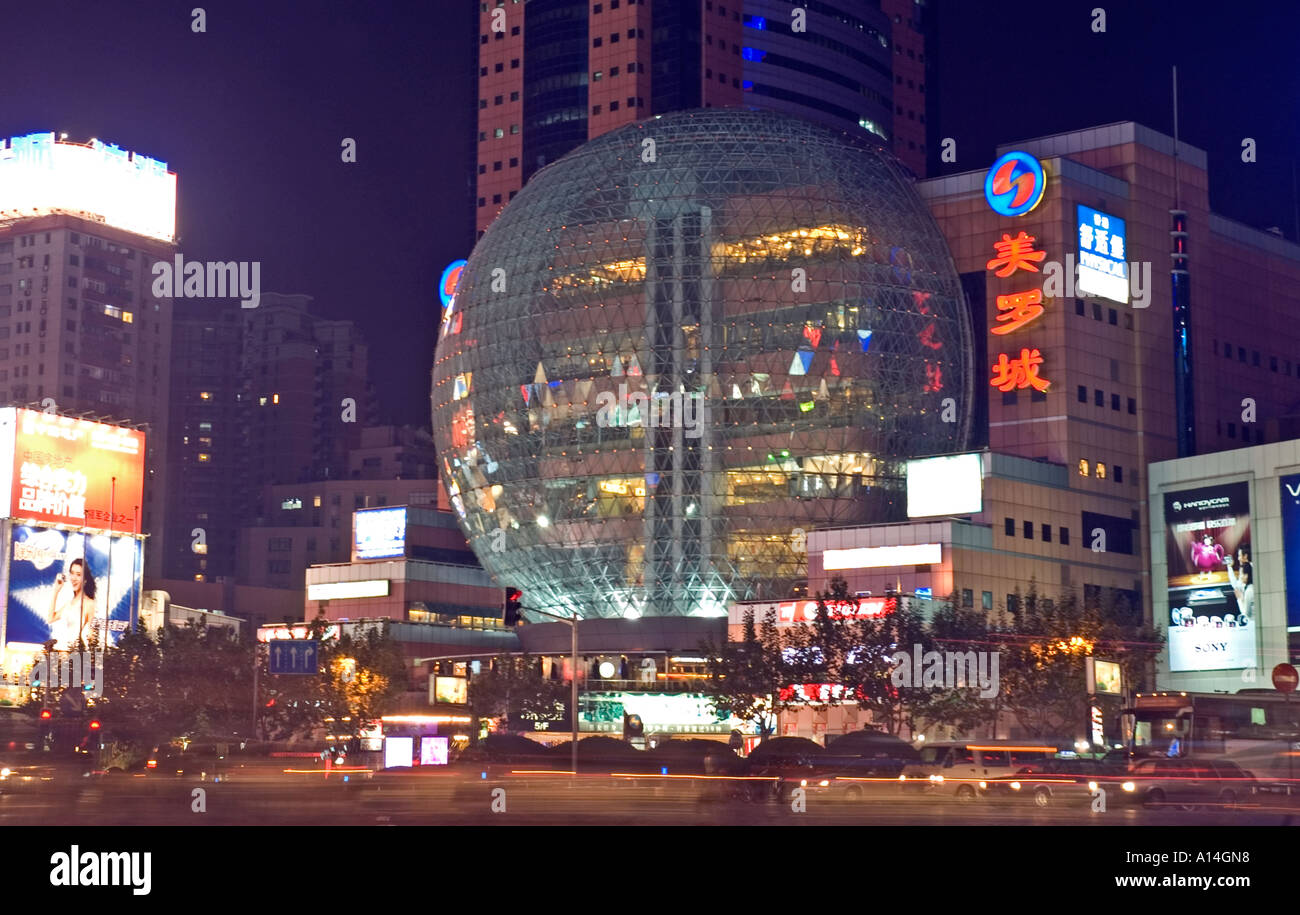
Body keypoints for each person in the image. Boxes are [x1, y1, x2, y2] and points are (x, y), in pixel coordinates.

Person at [47, 557, 100, 650]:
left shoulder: (89, 604)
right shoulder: (69, 604)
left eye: (78, 575)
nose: (74, 578)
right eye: (72, 573)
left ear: (85, 580)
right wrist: (56, 591)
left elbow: (92, 638)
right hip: (60, 651)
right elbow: (50, 618)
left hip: (75, 655)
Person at [1225, 555, 1255, 623]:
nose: (1240, 577)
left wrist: (1240, 599)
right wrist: (1229, 567)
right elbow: (1235, 584)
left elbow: (1246, 614)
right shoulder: (1246, 587)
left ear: (1247, 575)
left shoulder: (1250, 590)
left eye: (1241, 574)